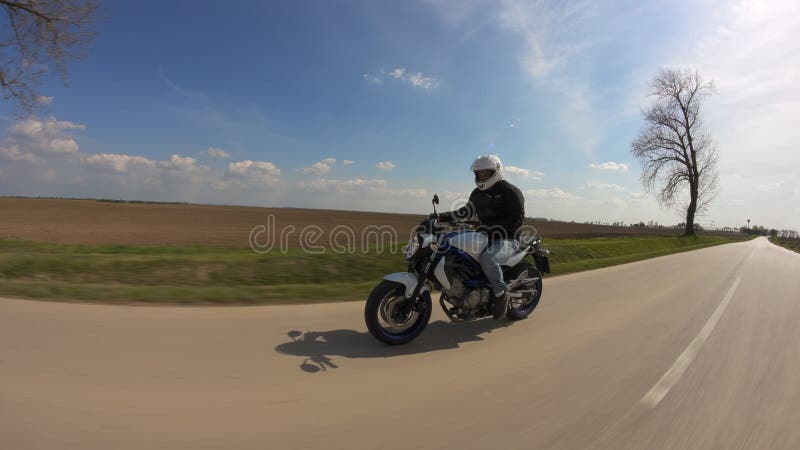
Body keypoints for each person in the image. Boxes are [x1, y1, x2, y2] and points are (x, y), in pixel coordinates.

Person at [437, 155, 526, 320]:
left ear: (496, 172)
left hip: (508, 239)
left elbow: (516, 221)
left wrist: (488, 227)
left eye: (485, 173)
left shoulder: (511, 192)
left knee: (487, 258)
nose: (482, 177)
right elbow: (465, 212)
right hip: (485, 236)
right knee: (458, 252)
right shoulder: (477, 193)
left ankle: (502, 294)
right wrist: (440, 217)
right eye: (479, 174)